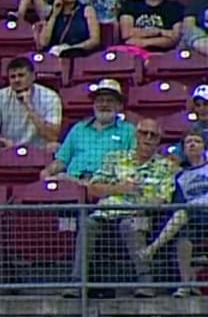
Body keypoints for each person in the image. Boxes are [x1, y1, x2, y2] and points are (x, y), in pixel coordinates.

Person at [83, 115, 176, 295]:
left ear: (158, 140)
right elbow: (93, 189)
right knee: (87, 224)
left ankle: (145, 281)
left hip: (140, 214)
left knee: (131, 225)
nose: (148, 138)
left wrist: (142, 202)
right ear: (136, 135)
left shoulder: (165, 166)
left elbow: (164, 198)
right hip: (107, 213)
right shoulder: (115, 158)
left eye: (153, 135)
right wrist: (120, 188)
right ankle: (78, 282)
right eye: (144, 133)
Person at [0, 56, 64, 181]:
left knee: (55, 147)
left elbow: (53, 136)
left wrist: (29, 107)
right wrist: (3, 141)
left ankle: (49, 189)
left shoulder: (50, 97)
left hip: (37, 150)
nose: (17, 80)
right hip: (5, 149)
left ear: (33, 76)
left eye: (21, 75)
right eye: (12, 77)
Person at [142, 128, 208, 296]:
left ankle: (152, 248)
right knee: (182, 236)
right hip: (195, 217)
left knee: (182, 213)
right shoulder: (180, 176)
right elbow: (178, 202)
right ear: (184, 149)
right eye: (189, 142)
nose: (192, 144)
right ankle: (186, 284)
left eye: (197, 141)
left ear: (204, 147)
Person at [43, 77, 136, 181]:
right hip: (72, 180)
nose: (104, 104)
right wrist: (47, 172)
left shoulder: (129, 131)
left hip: (105, 182)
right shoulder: (79, 129)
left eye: (110, 101)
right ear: (94, 104)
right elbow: (62, 160)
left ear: (119, 106)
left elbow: (134, 164)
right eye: (100, 100)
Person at [38, 0, 102, 55]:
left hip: (81, 56)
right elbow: (44, 42)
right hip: (56, 57)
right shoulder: (52, 13)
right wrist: (54, 15)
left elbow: (94, 40)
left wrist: (71, 49)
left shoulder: (87, 10)